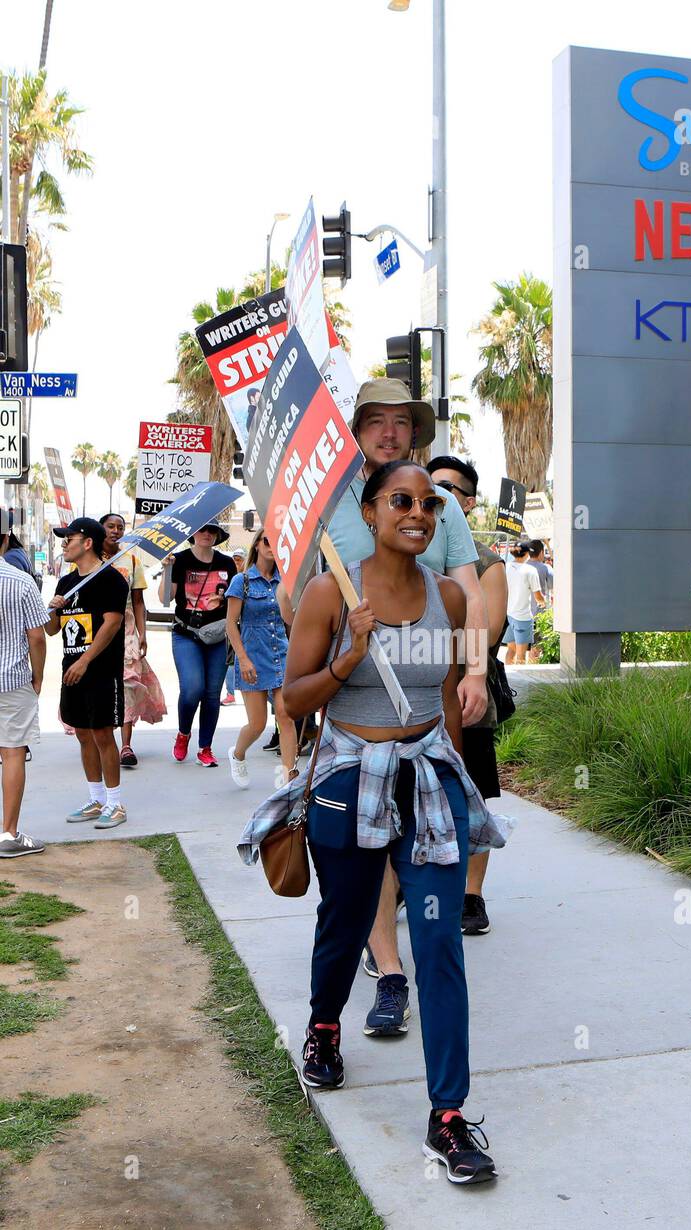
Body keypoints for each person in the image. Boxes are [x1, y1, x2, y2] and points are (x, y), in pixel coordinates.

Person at [240, 461, 509, 1184]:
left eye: (430, 503)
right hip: (349, 778)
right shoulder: (332, 591)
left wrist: (454, 773)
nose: (418, 512)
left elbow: (448, 691)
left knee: (440, 944)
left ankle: (448, 1117)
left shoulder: (450, 597)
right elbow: (293, 701)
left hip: (426, 782)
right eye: (403, 500)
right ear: (370, 511)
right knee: (346, 919)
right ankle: (324, 1024)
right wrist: (349, 656)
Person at [326, 379, 489, 1036]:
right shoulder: (332, 506)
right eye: (376, 421)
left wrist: (473, 667)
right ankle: (390, 972)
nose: (390, 431)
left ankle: (421, 953)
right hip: (353, 706)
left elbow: (469, 593)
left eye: (402, 421)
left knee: (425, 835)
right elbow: (303, 597)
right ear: (357, 430)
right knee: (372, 839)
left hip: (429, 699)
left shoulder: (440, 503)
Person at [429, 456, 508, 935]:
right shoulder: (408, 549)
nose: (435, 495)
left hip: (467, 694)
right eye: (429, 485)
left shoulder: (485, 562)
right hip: (418, 696)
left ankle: (471, 896)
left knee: (472, 792)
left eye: (447, 488)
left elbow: (491, 629)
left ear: (468, 501)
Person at [47, 517, 129, 829]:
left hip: (101, 671)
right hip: (71, 670)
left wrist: (85, 661)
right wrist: (54, 608)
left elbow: (112, 624)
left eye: (69, 538)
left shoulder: (111, 580)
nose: (64, 543)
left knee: (102, 733)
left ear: (88, 542)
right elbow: (53, 630)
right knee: (82, 733)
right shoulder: (67, 583)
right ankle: (95, 799)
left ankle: (115, 803)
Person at [161, 524, 237, 768]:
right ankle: (184, 733)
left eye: (212, 531)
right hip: (187, 633)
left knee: (212, 694)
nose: (207, 534)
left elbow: (235, 599)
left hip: (219, 635)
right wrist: (167, 570)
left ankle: (205, 748)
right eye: (203, 529)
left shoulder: (227, 563)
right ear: (193, 533)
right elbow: (165, 599)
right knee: (193, 688)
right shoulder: (179, 560)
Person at [225, 528, 297, 787]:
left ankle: (289, 779)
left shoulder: (285, 581)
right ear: (257, 545)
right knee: (257, 724)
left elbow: (291, 622)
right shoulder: (242, 581)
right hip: (253, 658)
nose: (273, 546)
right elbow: (231, 624)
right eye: (268, 541)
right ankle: (238, 753)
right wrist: (243, 659)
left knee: (285, 716)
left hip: (281, 655)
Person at [100, 514, 166, 767]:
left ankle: (126, 746)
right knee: (102, 686)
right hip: (96, 632)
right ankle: (102, 739)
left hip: (126, 631)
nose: (116, 531)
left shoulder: (132, 560)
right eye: (111, 527)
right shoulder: (88, 559)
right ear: (101, 529)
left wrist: (143, 634)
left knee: (128, 685)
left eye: (120, 527)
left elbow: (139, 601)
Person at [0, 546, 51, 856]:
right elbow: (36, 636)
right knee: (13, 751)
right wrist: (39, 675)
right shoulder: (21, 581)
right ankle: (8, 833)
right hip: (12, 678)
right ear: (5, 538)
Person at [504, 543, 546, 665]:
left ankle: (508, 679)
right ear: (527, 554)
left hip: (508, 615)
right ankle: (519, 683)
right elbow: (537, 595)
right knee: (521, 655)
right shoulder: (530, 570)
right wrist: (543, 603)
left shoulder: (506, 567)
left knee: (510, 650)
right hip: (523, 617)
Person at [220, 546, 248, 706]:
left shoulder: (247, 578)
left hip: (244, 626)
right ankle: (230, 693)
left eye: (239, 560)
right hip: (232, 625)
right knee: (231, 660)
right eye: (234, 560)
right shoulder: (232, 578)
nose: (236, 563)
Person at [526, 538, 554, 663]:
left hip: (521, 613)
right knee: (537, 647)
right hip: (539, 615)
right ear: (541, 552)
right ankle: (532, 670)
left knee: (516, 648)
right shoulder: (545, 568)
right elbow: (553, 585)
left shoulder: (521, 566)